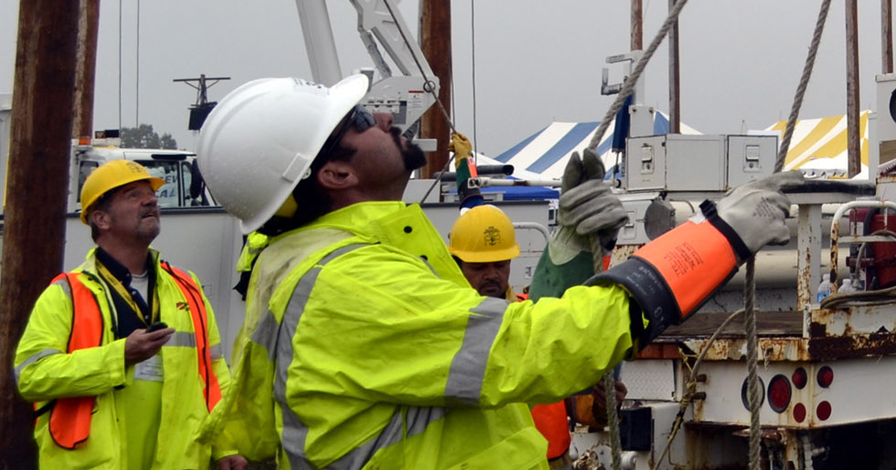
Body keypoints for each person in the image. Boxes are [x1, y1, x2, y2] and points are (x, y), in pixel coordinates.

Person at [195, 74, 802, 468]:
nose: (381, 119)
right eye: (357, 122)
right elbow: (535, 349)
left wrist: (563, 257)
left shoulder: (297, 271)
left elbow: (245, 427)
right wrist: (719, 237)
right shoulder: (348, 286)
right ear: (334, 175)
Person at [13, 160, 245, 469]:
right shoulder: (66, 294)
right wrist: (119, 356)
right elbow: (31, 377)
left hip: (177, 460)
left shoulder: (187, 288)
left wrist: (226, 444)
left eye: (151, 194)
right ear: (102, 219)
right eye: (133, 195)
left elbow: (215, 375)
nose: (150, 200)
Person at [447, 205, 570, 466]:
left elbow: (581, 407)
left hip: (553, 460)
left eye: (500, 264)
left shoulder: (534, 314)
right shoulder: (445, 330)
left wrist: (602, 406)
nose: (492, 274)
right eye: (479, 267)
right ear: (456, 265)